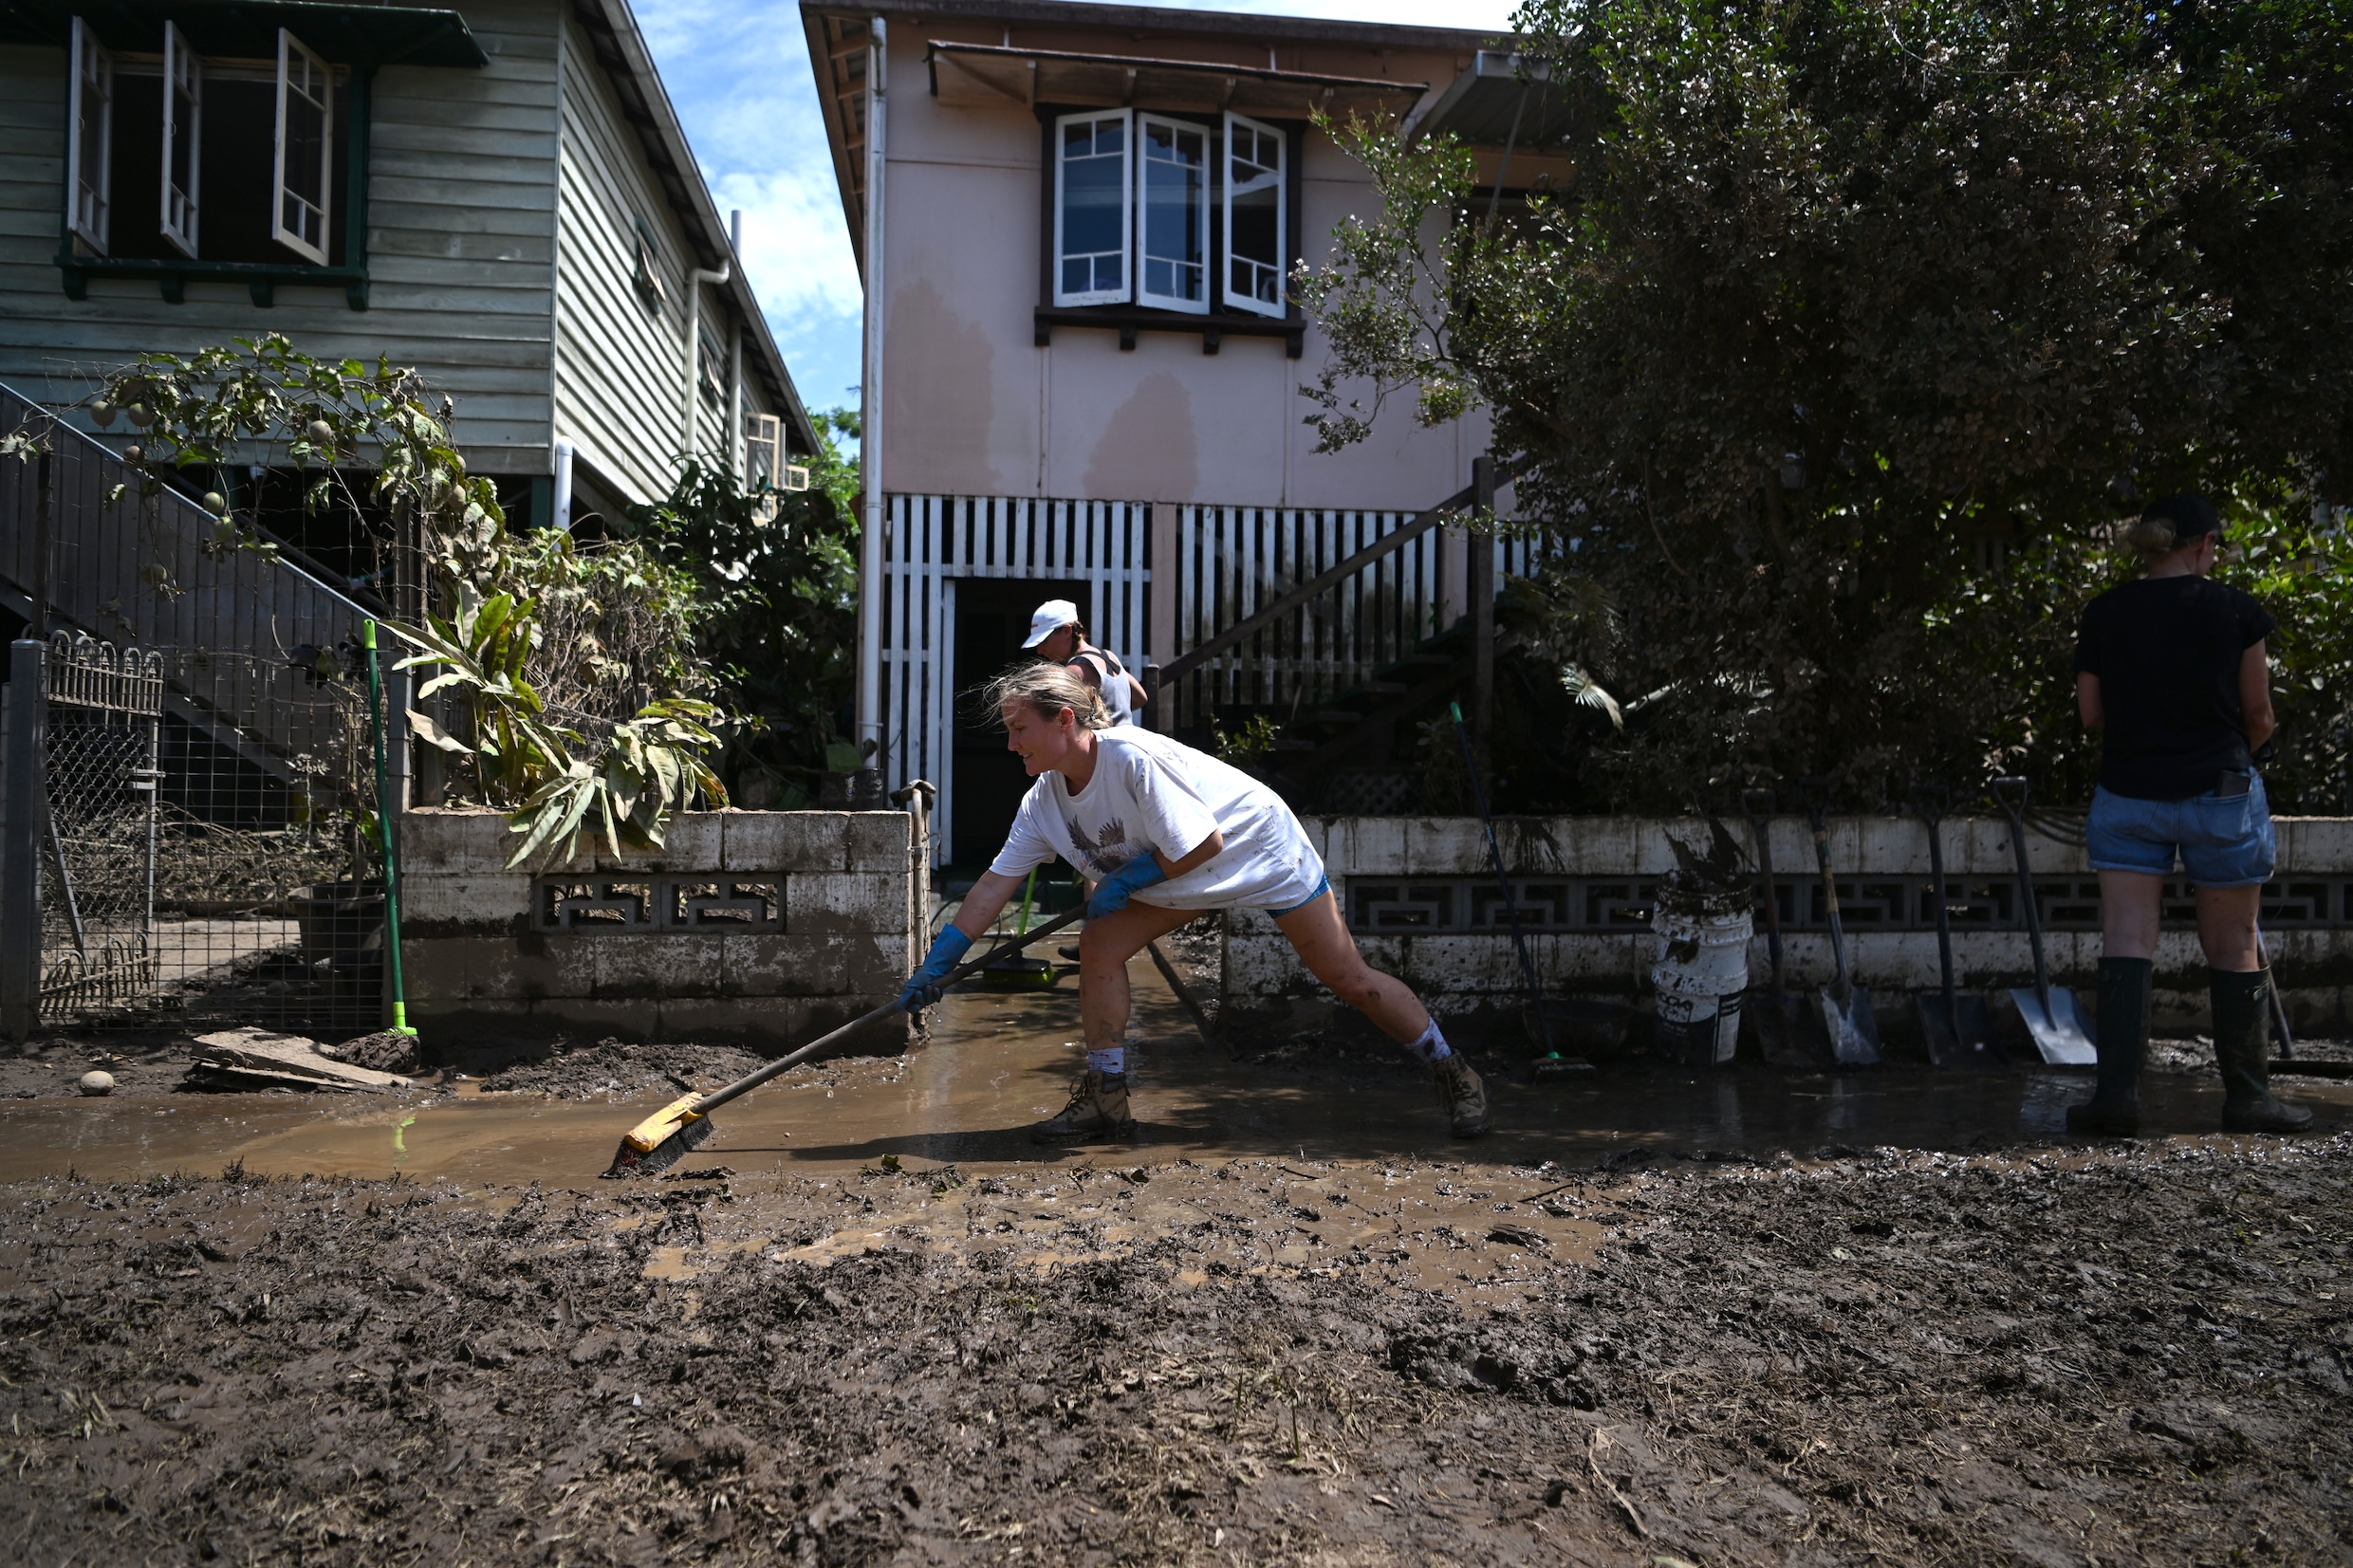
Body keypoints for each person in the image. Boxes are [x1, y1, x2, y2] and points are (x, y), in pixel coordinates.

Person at [897, 662, 1489, 1143]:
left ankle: (1451, 1068)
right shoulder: (1043, 803)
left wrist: (1124, 883)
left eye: (1018, 729)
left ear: (1064, 721)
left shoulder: (1129, 760)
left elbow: (1207, 840)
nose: (1009, 744)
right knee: (1101, 945)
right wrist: (942, 960)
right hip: (1175, 867)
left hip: (1256, 847)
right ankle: (1107, 1096)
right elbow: (992, 887)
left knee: (1346, 977)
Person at [2068, 492, 2310, 1135]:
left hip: (2129, 791)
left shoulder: (2106, 612)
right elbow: (2259, 716)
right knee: (2233, 945)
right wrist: (2226, 755)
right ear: (2202, 546)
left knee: (2126, 938)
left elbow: (2092, 713)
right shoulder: (2234, 610)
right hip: (2221, 793)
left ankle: (2116, 1099)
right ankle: (2250, 1098)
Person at [1023, 599, 1147, 727]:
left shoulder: (1076, 670)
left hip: (1104, 744)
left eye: (1044, 641)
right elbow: (1140, 697)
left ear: (1067, 631)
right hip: (1129, 738)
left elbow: (1054, 720)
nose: (1039, 650)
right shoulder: (1109, 657)